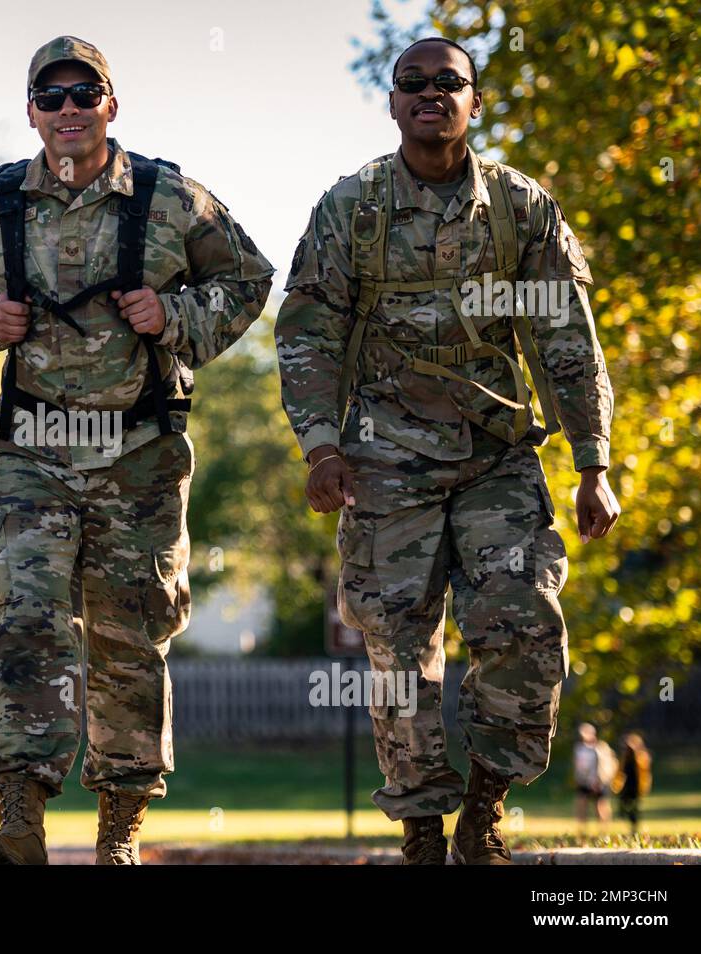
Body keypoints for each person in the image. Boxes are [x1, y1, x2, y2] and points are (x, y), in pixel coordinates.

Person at [0, 35, 274, 864]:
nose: (68, 109)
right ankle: (22, 824)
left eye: (85, 93)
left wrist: (175, 319)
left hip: (138, 453)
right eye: (51, 95)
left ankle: (119, 837)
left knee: (128, 638)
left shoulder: (170, 199)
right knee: (27, 621)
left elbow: (249, 279)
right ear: (31, 111)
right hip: (32, 450)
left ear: (112, 103)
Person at [275, 36, 620, 864]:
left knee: (524, 623)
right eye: (413, 84)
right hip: (383, 460)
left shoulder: (520, 209)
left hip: (496, 452)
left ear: (474, 100)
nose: (431, 94)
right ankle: (422, 834)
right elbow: (309, 335)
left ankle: (484, 809)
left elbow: (564, 338)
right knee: (399, 653)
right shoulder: (350, 209)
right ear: (393, 103)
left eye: (449, 83)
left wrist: (593, 462)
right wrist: (321, 448)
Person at [572, 722, 616, 829]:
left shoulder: (601, 747)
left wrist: (598, 780)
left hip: (599, 781)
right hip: (584, 781)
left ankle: (603, 831)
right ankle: (582, 830)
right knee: (581, 804)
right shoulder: (579, 748)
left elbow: (605, 766)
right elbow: (578, 765)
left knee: (600, 806)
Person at [613, 731, 652, 834]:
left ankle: (634, 827)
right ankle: (625, 816)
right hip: (626, 786)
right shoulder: (624, 758)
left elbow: (644, 771)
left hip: (636, 787)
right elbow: (620, 771)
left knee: (634, 808)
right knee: (623, 804)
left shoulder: (641, 756)